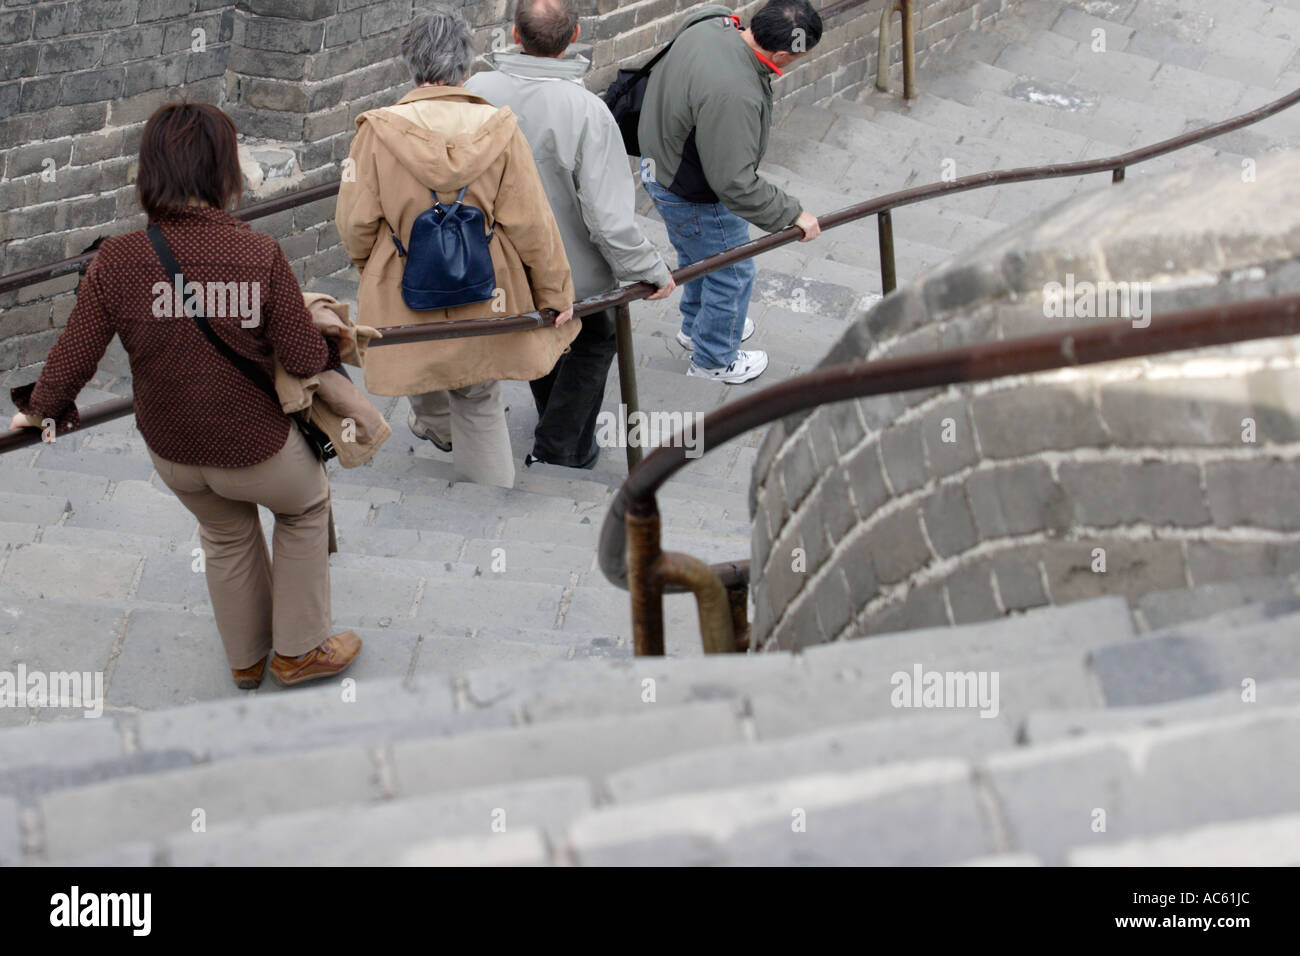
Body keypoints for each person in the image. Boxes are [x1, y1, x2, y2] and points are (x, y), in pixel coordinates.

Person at [7, 102, 362, 690]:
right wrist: (318, 325)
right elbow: (303, 361)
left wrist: (36, 412)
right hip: (257, 448)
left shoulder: (115, 260)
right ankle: (299, 652)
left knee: (225, 534)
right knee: (304, 510)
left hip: (173, 452)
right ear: (224, 172)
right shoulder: (256, 253)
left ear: (151, 173)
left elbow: (73, 358)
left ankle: (246, 660)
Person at [337, 4, 577, 487]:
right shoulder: (502, 130)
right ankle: (487, 509)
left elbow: (355, 222)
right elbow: (534, 222)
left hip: (406, 280)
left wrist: (375, 269)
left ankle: (436, 425)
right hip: (486, 285)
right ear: (465, 67)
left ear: (411, 65)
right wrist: (556, 295)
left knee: (414, 353)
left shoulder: (376, 132)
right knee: (479, 396)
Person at [466, 0, 676, 470]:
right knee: (595, 338)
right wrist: (650, 269)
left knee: (542, 330)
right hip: (568, 269)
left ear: (515, 35)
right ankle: (560, 447)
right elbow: (607, 218)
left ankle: (559, 435)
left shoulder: (476, 90)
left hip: (494, 259)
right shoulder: (585, 110)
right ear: (574, 36)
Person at [639, 0, 824, 384]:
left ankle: (697, 328)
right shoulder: (736, 93)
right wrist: (791, 214)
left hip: (660, 166)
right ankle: (714, 359)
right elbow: (734, 183)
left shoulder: (710, 20)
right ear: (779, 53)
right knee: (733, 272)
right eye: (795, 57)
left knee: (698, 256)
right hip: (690, 191)